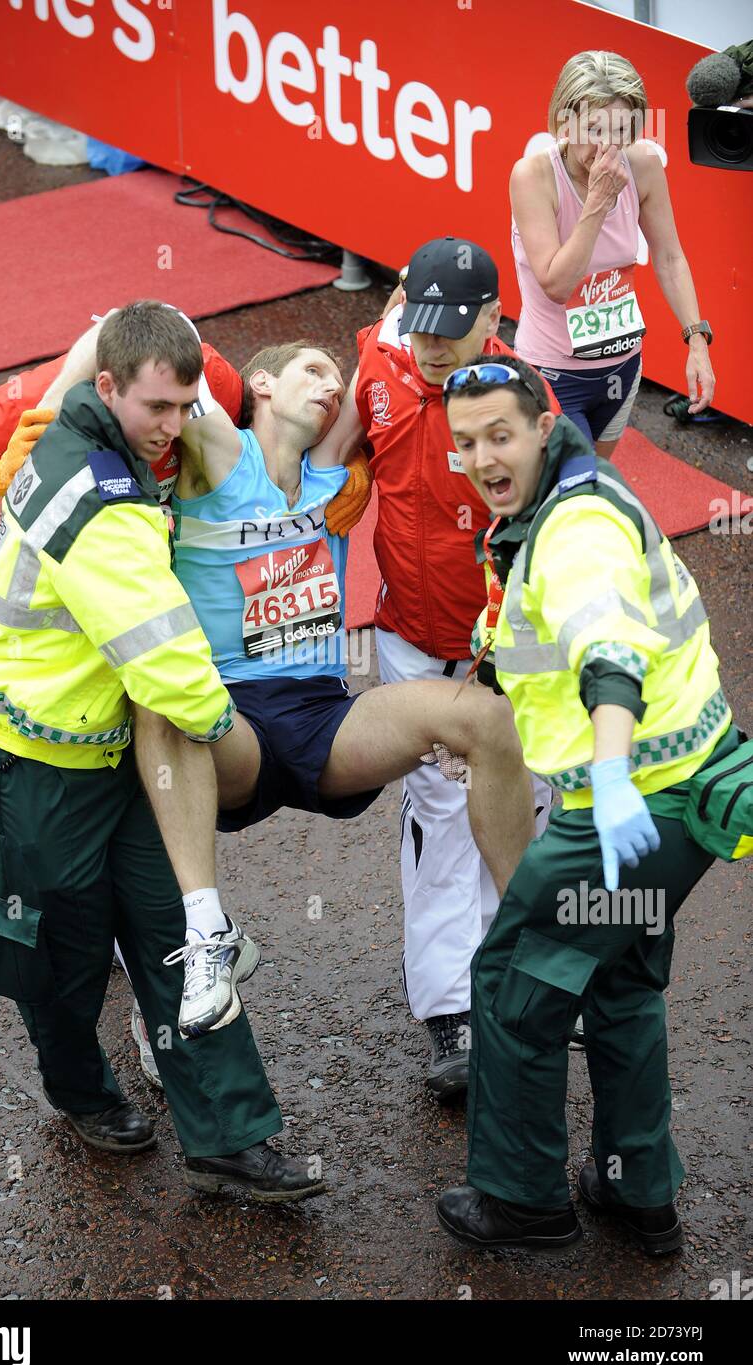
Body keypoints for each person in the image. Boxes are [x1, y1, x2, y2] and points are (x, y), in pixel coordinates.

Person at [0, 301, 325, 1201]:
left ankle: (230, 1135)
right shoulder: (105, 501)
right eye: (157, 409)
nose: (175, 429)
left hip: (108, 748)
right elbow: (168, 668)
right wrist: (240, 749)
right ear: (110, 388)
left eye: (187, 407)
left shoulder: (92, 434)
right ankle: (81, 1091)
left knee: (175, 934)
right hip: (34, 765)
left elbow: (113, 331)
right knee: (57, 957)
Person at [115, 332, 541, 1034]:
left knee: (486, 720)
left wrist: (403, 312)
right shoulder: (214, 455)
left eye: (336, 378)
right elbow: (173, 344)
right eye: (311, 372)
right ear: (260, 387)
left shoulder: (337, 478)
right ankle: (202, 939)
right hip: (229, 727)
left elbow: (386, 355)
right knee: (160, 705)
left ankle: (534, 938)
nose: (330, 385)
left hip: (324, 719)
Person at [434, 356, 743, 1253]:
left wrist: (605, 781)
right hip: (685, 797)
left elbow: (610, 652)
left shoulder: (573, 533)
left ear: (541, 426)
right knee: (616, 980)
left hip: (633, 805)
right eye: (466, 442)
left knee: (512, 982)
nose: (485, 457)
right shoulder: (574, 490)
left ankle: (522, 1201)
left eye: (500, 434)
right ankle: (637, 1191)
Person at [352, 237, 560, 1096]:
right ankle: (452, 1012)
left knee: (532, 809)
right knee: (440, 819)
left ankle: (538, 981)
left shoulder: (526, 401)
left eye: (451, 330)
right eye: (420, 324)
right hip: (412, 642)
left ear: (493, 320)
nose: (431, 346)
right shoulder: (377, 360)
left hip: (514, 648)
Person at [510, 49, 716, 455]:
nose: (608, 147)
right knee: (571, 494)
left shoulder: (642, 165)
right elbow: (556, 283)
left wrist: (697, 343)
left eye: (621, 130)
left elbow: (671, 258)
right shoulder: (533, 176)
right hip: (554, 372)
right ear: (565, 121)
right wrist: (597, 205)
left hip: (622, 369)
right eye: (595, 130)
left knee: (597, 488)